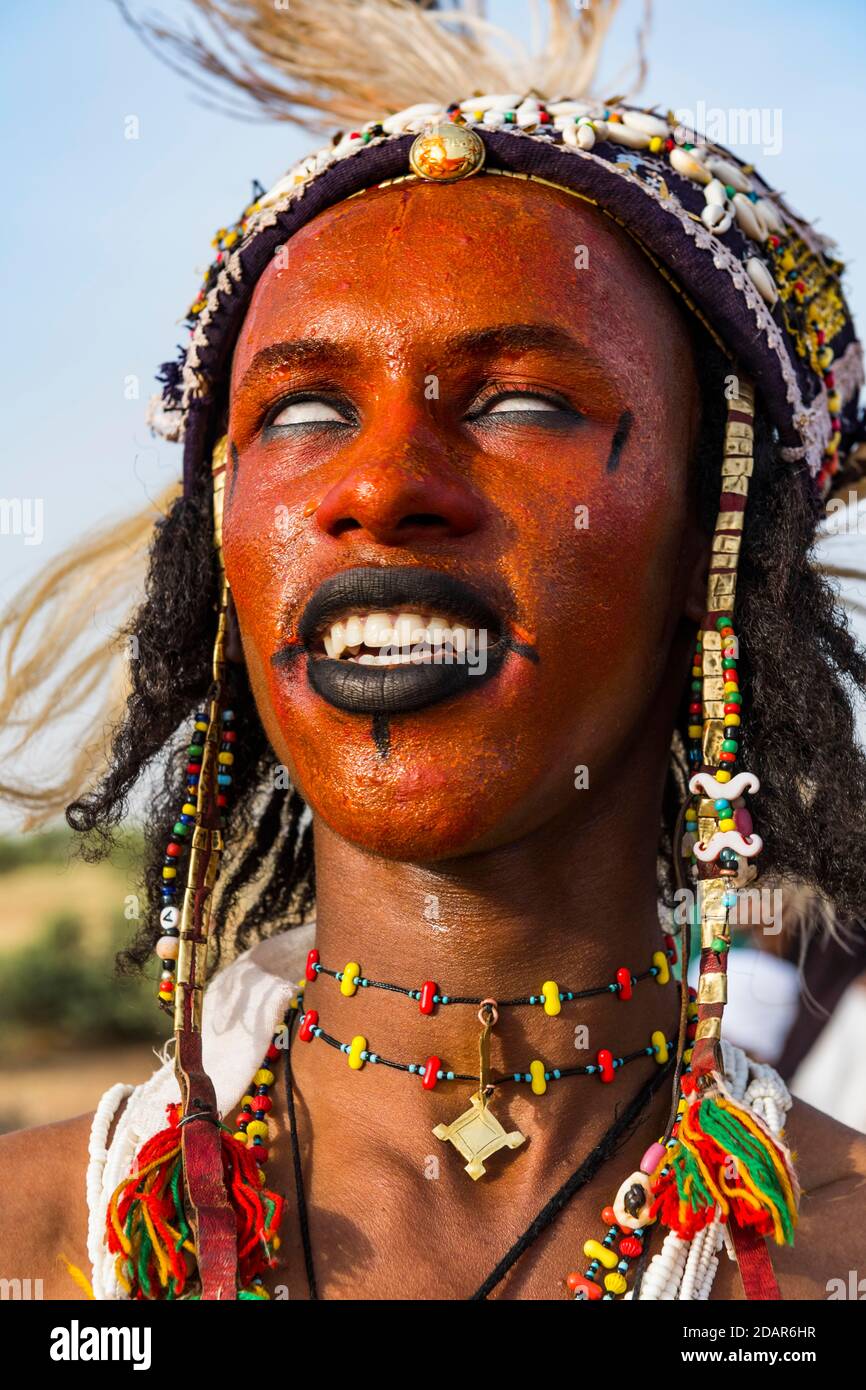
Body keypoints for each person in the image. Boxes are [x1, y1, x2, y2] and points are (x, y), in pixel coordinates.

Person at [2, 0, 866, 1302]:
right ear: (221, 551)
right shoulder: (35, 1253)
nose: (381, 486)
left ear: (715, 545)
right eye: (301, 409)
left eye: (520, 401)